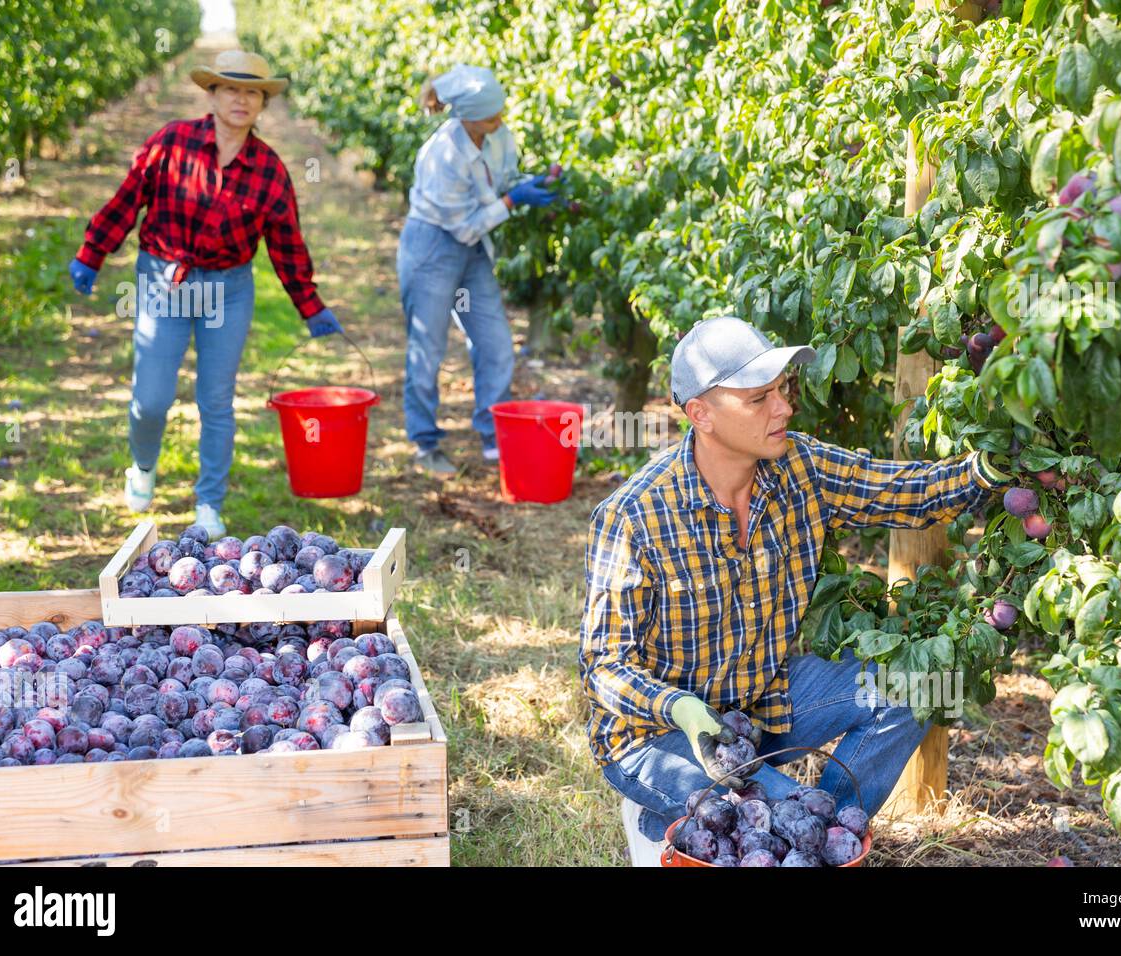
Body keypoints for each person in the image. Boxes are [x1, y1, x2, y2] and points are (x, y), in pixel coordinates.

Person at [577, 316, 1013, 864]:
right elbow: (603, 665)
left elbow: (900, 490)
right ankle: (704, 815)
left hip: (761, 706)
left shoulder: (798, 468)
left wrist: (984, 472)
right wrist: (683, 709)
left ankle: (795, 834)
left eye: (782, 390)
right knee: (786, 818)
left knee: (916, 689)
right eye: (759, 398)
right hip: (657, 738)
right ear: (700, 414)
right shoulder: (634, 516)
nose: (783, 407)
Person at [68, 49, 341, 538]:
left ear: (262, 103)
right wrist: (93, 252)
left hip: (226, 290)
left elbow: (287, 246)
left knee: (215, 400)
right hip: (163, 282)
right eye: (231, 89)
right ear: (212, 94)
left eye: (252, 92)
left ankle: (209, 504)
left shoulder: (269, 170)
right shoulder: (172, 142)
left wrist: (311, 305)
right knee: (150, 398)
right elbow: (129, 198)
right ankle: (144, 466)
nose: (242, 99)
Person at [398, 63, 557, 475]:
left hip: (471, 250)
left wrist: (533, 184)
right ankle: (425, 442)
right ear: (465, 115)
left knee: (496, 342)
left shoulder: (497, 135)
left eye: (500, 112)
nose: (500, 121)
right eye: (490, 116)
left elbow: (501, 179)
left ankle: (492, 432)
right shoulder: (442, 155)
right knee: (427, 347)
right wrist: (511, 202)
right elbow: (465, 225)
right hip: (433, 245)